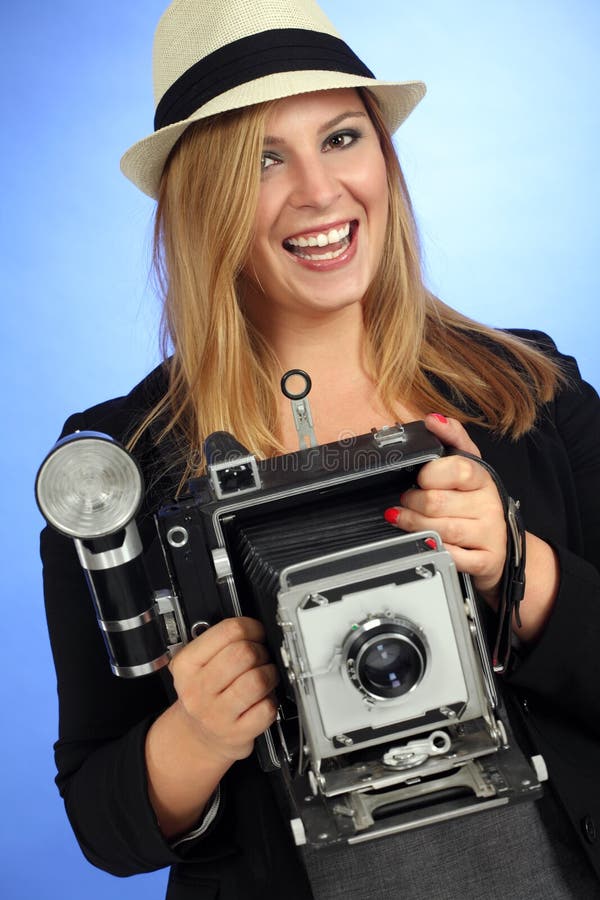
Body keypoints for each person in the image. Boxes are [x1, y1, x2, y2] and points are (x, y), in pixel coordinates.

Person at [40, 1, 600, 897]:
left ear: (384, 156)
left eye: (341, 137)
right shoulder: (118, 473)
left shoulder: (531, 390)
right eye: (264, 159)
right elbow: (102, 828)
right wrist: (198, 734)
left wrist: (519, 571)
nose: (318, 191)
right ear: (204, 200)